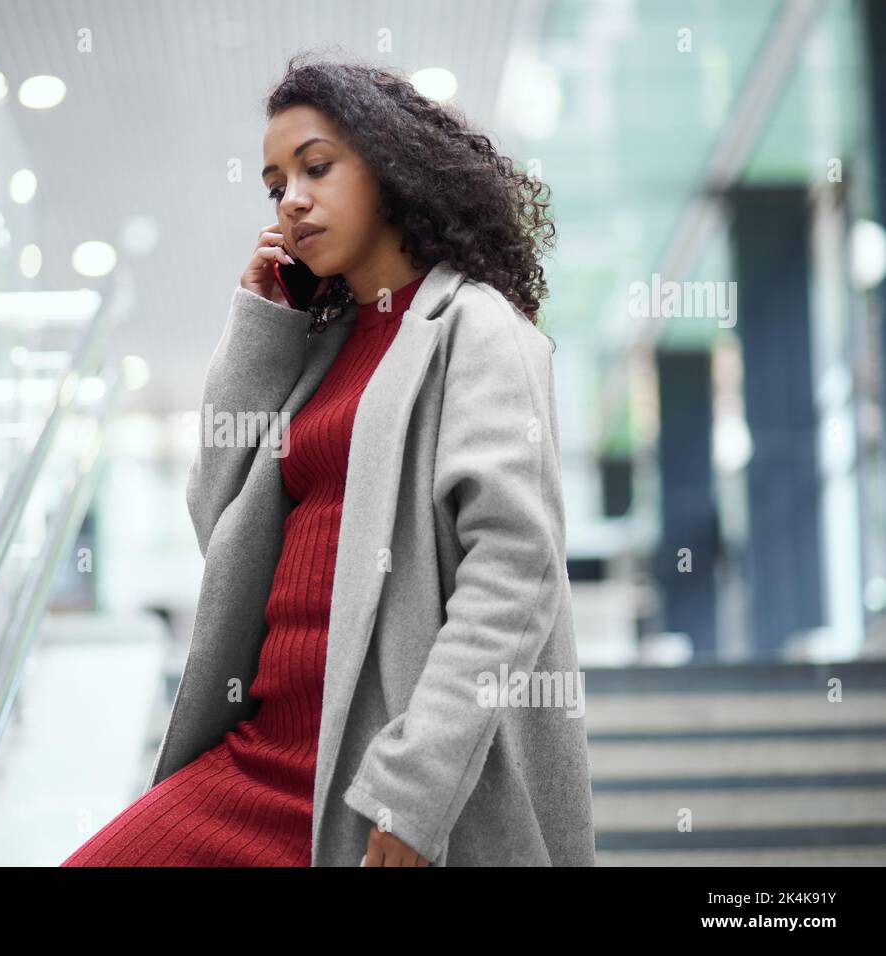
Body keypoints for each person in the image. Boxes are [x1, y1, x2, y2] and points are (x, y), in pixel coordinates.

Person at [62, 53, 591, 867]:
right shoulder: (319, 349)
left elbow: (514, 569)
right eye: (276, 185)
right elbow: (218, 518)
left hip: (371, 767)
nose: (292, 199)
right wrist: (260, 326)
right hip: (264, 752)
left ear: (390, 167)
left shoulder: (473, 328)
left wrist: (413, 790)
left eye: (317, 167)